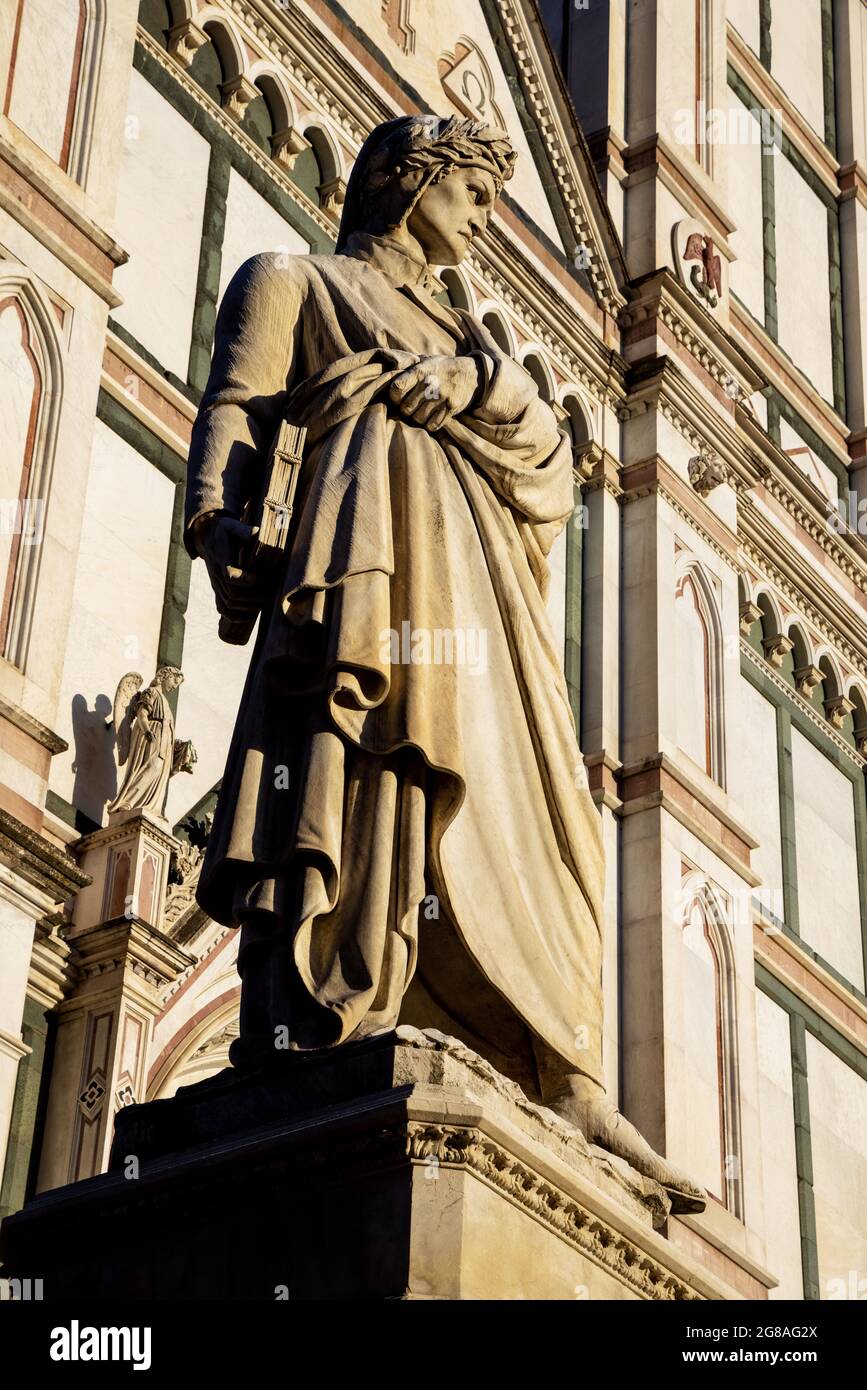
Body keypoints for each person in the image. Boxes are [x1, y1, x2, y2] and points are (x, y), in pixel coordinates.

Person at [185, 114, 704, 1212]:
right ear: (408, 180)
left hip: (478, 622)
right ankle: (347, 991)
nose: (479, 222)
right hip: (363, 585)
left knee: (553, 840)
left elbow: (555, 477)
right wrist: (220, 524)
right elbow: (235, 410)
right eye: (469, 192)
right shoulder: (295, 280)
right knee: (363, 784)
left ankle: (562, 1072)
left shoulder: (477, 348)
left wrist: (473, 391)